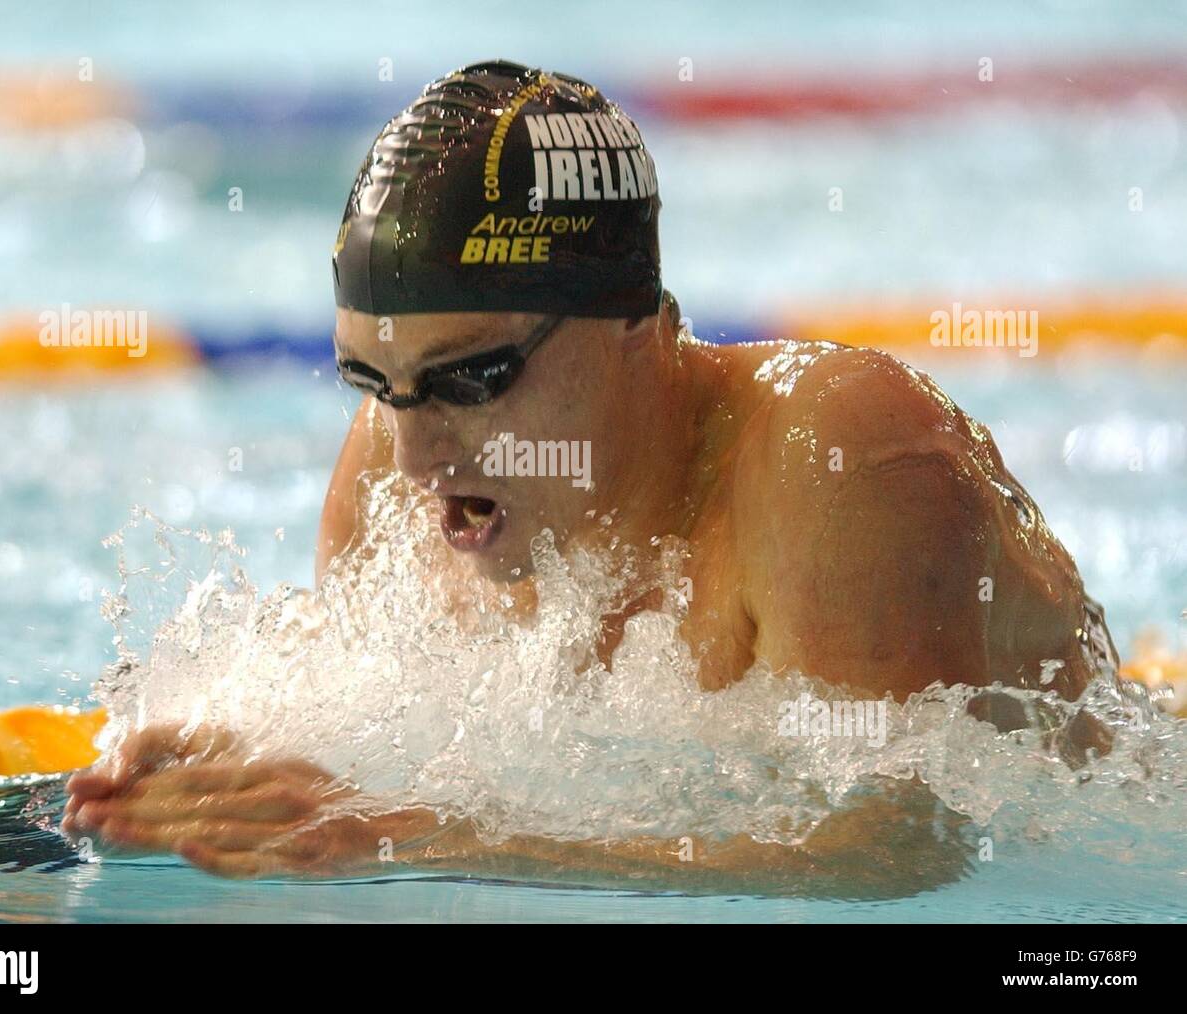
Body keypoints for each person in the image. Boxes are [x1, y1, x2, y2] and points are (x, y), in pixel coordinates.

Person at [63, 59, 1118, 884]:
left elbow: (898, 852)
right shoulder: (392, 462)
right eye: (373, 383)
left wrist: (428, 840)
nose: (419, 455)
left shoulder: (833, 459)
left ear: (640, 329)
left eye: (473, 377)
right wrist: (236, 778)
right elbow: (383, 767)